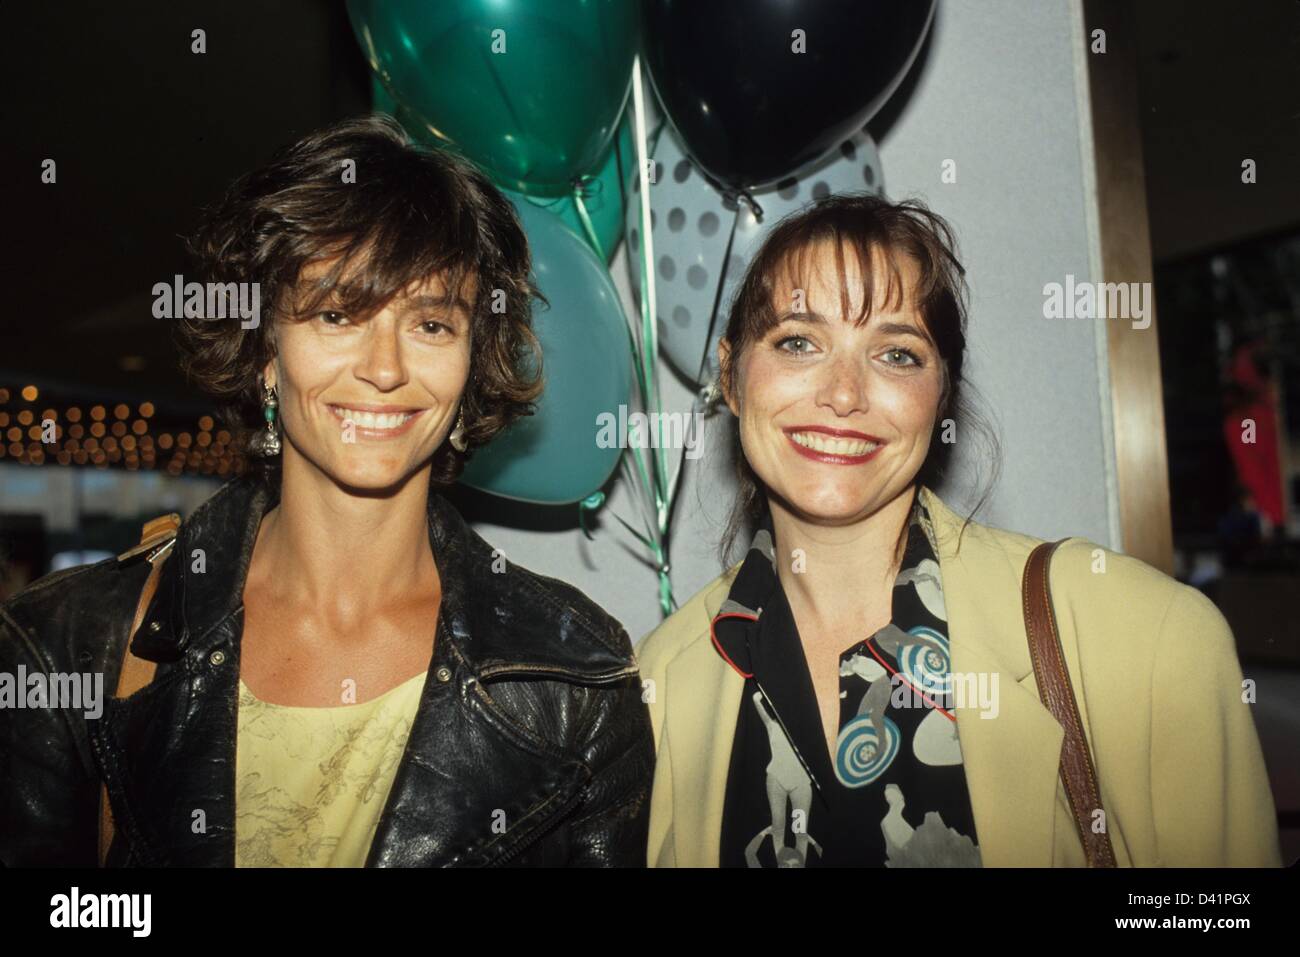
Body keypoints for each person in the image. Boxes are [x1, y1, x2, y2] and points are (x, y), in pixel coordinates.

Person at [0, 114, 653, 867]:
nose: (384, 367)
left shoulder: (575, 677)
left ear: (473, 362)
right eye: (338, 313)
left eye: (432, 323)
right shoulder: (69, 643)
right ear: (264, 353)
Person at [636, 193, 1282, 867]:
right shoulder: (658, 686)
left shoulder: (1148, 642)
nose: (844, 393)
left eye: (896, 354)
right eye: (798, 341)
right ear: (731, 378)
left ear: (942, 393)